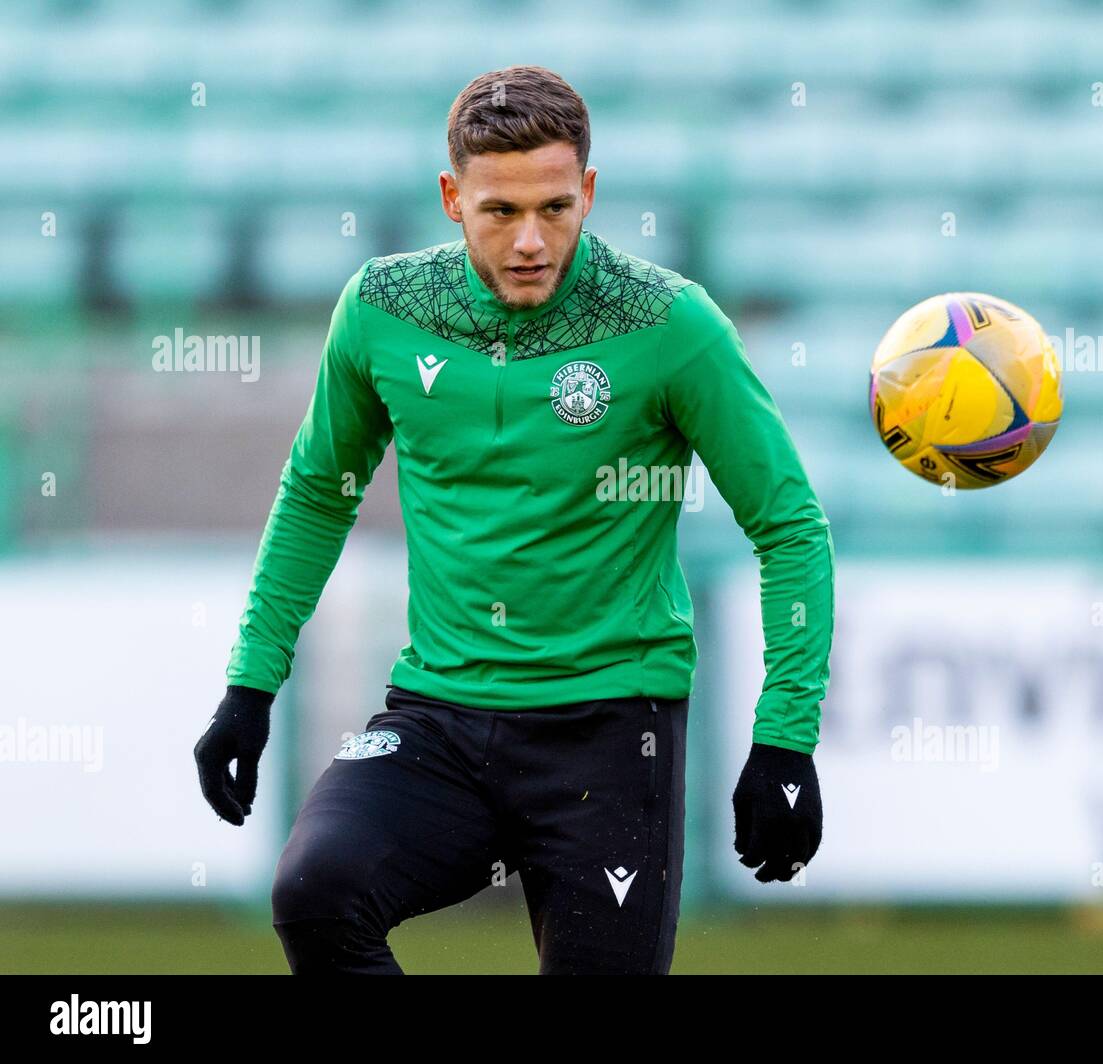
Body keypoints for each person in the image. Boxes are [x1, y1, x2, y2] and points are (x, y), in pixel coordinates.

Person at [192, 65, 834, 975]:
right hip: (440, 718)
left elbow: (790, 526)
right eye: (500, 212)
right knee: (315, 894)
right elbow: (313, 495)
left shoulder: (671, 324)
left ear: (591, 193)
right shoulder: (380, 310)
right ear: (452, 197)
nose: (532, 240)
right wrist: (250, 687)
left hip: (614, 731)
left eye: (557, 207)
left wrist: (785, 740)